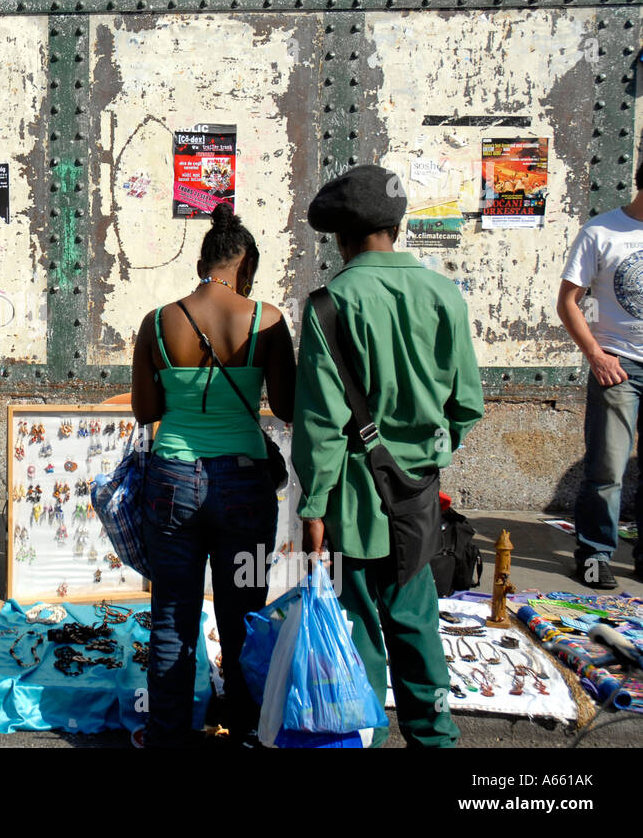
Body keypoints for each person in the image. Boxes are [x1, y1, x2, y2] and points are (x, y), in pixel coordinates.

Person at [293, 165, 483, 748]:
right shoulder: (444, 293)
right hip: (417, 493)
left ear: (341, 239)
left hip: (351, 497)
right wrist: (428, 452)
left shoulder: (329, 305)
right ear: (396, 228)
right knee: (416, 621)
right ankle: (434, 737)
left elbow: (321, 423)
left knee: (353, 633)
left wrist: (314, 506)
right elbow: (467, 404)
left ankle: (363, 737)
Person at [130, 203, 296, 747]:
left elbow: (146, 410)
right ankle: (250, 731)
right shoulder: (267, 321)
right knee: (243, 611)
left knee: (172, 615)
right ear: (244, 263)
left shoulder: (157, 322)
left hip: (172, 478)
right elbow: (290, 406)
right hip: (245, 485)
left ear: (203, 261)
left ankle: (166, 735)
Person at [556, 153, 643, 587]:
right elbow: (567, 301)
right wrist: (596, 354)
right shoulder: (603, 231)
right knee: (608, 466)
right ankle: (594, 554)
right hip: (619, 364)